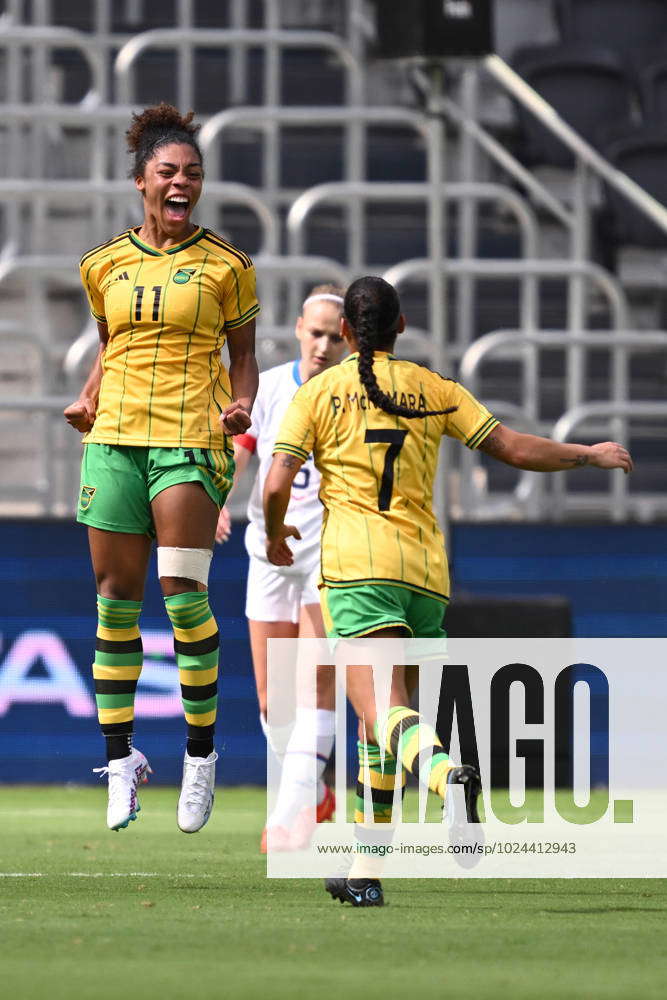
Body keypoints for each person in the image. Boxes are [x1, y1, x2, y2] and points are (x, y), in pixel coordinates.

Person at [263, 275, 633, 905]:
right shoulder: (434, 389)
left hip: (358, 570)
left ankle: (447, 781)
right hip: (426, 576)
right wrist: (589, 454)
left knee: (382, 715)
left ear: (347, 333)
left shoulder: (318, 393)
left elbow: (274, 486)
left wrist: (275, 537)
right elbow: (513, 447)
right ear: (402, 326)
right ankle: (363, 871)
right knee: (384, 723)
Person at [64, 103, 260, 835]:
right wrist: (86, 399)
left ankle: (201, 757)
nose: (183, 183)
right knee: (115, 602)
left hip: (187, 442)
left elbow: (243, 362)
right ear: (141, 181)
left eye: (193, 174)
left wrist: (241, 406)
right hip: (114, 441)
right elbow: (113, 345)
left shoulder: (228, 267)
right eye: (169, 172)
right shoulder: (102, 264)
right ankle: (120, 764)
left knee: (181, 598)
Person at [216, 285, 347, 851]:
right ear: (298, 328)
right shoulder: (268, 387)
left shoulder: (351, 393)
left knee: (316, 685)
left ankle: (286, 819)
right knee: (272, 701)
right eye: (315, 333)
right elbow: (242, 450)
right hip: (268, 551)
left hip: (326, 554)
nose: (323, 345)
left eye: (335, 337)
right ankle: (314, 792)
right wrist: (220, 500)